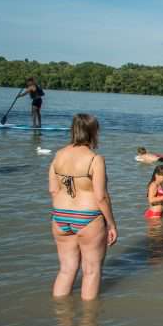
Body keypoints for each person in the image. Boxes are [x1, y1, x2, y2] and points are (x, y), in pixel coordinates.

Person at [49, 113, 118, 301]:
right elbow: (101, 196)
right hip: (88, 217)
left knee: (66, 269)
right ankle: (88, 322)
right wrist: (111, 224)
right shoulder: (95, 159)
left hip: (60, 216)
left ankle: (62, 318)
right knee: (91, 271)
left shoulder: (58, 155)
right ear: (93, 132)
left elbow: (53, 190)